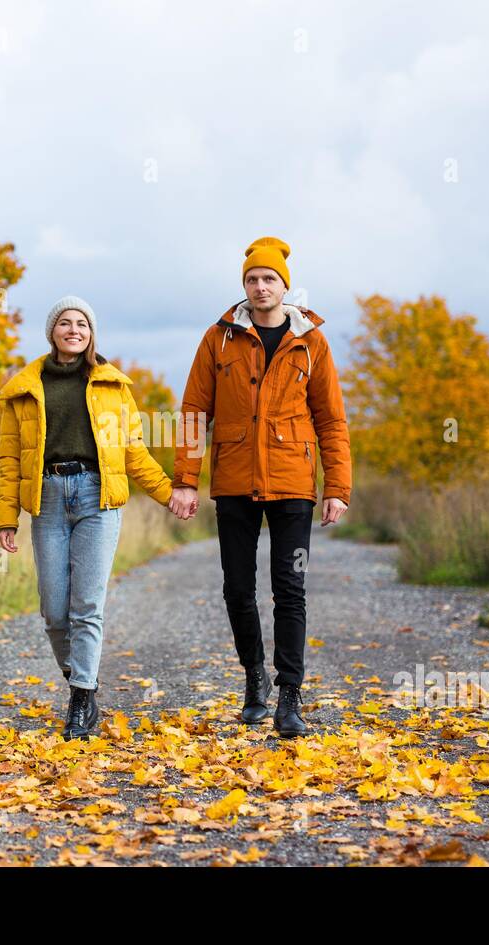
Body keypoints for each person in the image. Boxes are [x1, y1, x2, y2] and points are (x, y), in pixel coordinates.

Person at [168, 237, 351, 737]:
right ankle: (254, 677)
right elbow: (192, 413)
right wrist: (185, 480)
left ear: (284, 286)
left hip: (294, 481)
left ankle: (289, 696)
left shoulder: (311, 341)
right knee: (237, 588)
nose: (260, 286)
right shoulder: (220, 338)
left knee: (290, 589)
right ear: (244, 286)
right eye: (252, 279)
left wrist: (336, 487)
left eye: (269, 279)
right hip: (233, 480)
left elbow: (331, 420)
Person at [0, 295, 181, 740]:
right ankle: (87, 685)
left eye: (82, 323)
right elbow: (8, 461)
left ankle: (80, 700)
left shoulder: (113, 386)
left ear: (92, 333)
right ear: (52, 332)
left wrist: (168, 494)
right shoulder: (25, 389)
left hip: (98, 496)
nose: (74, 329)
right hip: (48, 497)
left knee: (87, 606)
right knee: (55, 611)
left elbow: (134, 452)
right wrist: (6, 519)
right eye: (65, 322)